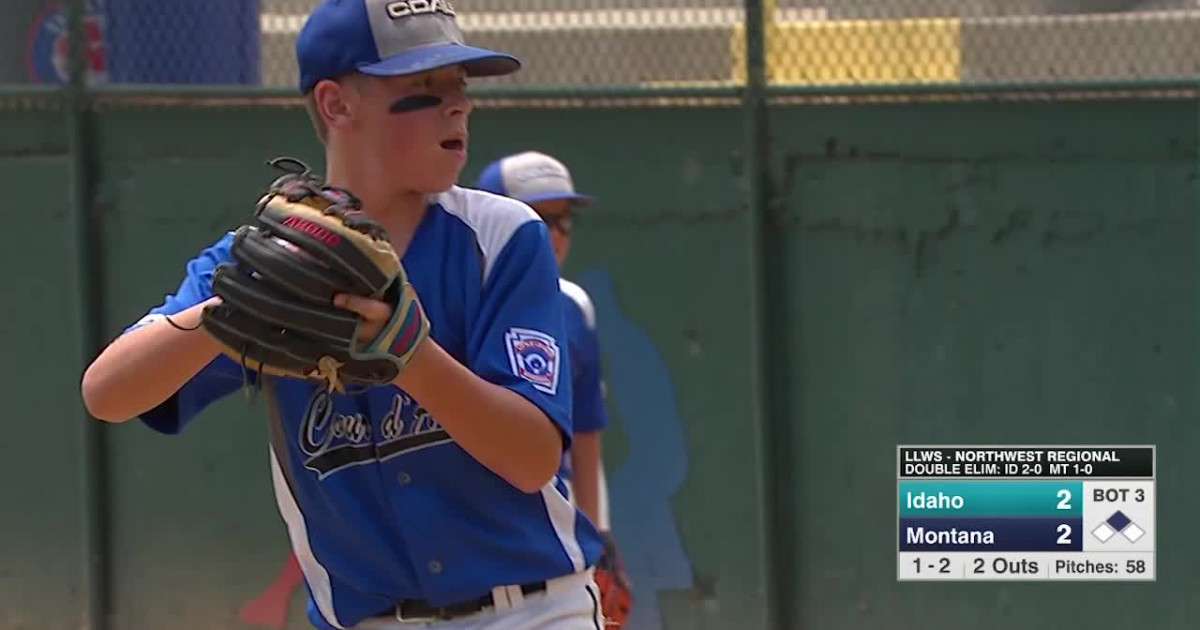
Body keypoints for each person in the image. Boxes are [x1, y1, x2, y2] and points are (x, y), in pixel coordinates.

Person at [79, 1, 606, 629]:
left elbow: (532, 459)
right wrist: (231, 311)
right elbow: (107, 393)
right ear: (336, 104)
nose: (457, 105)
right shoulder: (261, 260)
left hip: (530, 612)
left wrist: (415, 359)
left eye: (460, 87)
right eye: (424, 87)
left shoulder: (501, 236)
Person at [474, 152, 631, 615]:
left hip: (553, 519)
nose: (557, 235)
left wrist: (599, 532)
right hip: (482, 519)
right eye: (541, 220)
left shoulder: (575, 306)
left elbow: (585, 430)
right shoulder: (461, 302)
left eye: (564, 221)